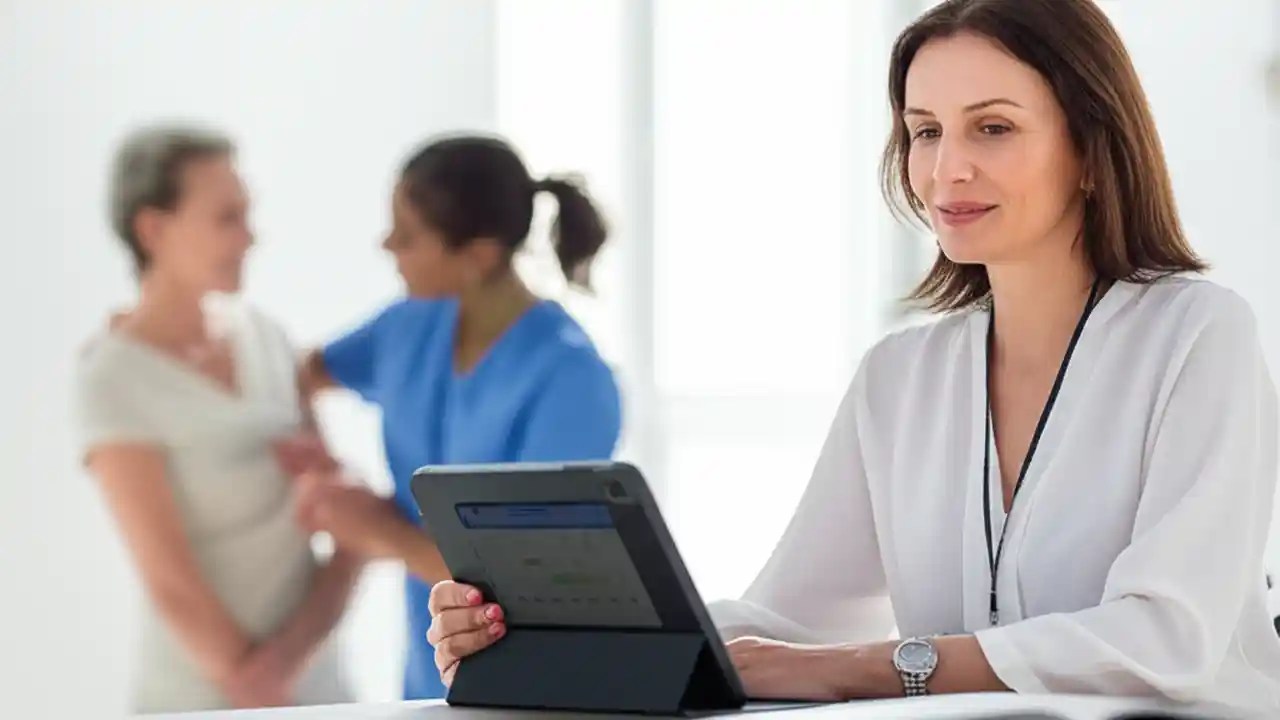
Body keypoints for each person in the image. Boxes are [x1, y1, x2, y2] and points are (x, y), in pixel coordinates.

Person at [422, 0, 1280, 711]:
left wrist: (872, 667)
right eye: (925, 131)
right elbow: (790, 621)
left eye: (993, 128)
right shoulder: (900, 378)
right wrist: (547, 634)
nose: (948, 170)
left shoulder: (1198, 335)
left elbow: (1166, 635)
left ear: (1092, 150)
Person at [290, 134, 621, 700]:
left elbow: (528, 582)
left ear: (479, 255)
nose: (387, 243)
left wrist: (377, 529)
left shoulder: (573, 380)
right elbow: (299, 376)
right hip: (422, 681)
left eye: (408, 234)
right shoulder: (407, 326)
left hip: (526, 689)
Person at [75, 128, 359, 713]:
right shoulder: (114, 377)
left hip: (319, 690)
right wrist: (258, 683)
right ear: (152, 229)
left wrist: (291, 660)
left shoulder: (270, 338)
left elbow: (351, 522)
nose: (251, 236)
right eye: (227, 217)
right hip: (203, 699)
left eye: (248, 213)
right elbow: (170, 581)